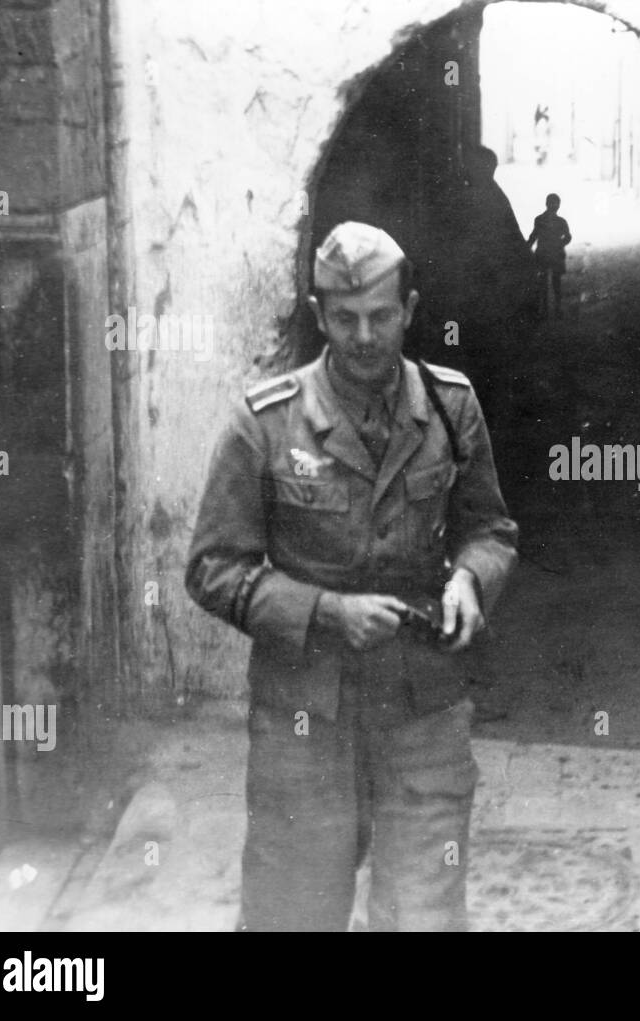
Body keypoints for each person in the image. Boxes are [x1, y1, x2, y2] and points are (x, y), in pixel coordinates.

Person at [185, 222, 519, 931]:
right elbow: (213, 568)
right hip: (305, 710)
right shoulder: (264, 423)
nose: (364, 336)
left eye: (380, 316)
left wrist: (469, 580)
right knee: (292, 914)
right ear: (319, 314)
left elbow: (490, 530)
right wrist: (326, 611)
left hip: (423, 706)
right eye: (344, 318)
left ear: (410, 309)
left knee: (426, 914)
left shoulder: (451, 408)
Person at [527, 193, 573, 318]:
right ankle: (556, 309)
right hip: (555, 255)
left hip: (543, 254)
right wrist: (560, 244)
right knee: (555, 283)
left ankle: (546, 310)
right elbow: (568, 237)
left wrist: (527, 247)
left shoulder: (539, 219)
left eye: (555, 203)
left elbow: (533, 236)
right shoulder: (561, 221)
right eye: (553, 203)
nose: (554, 206)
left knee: (544, 284)